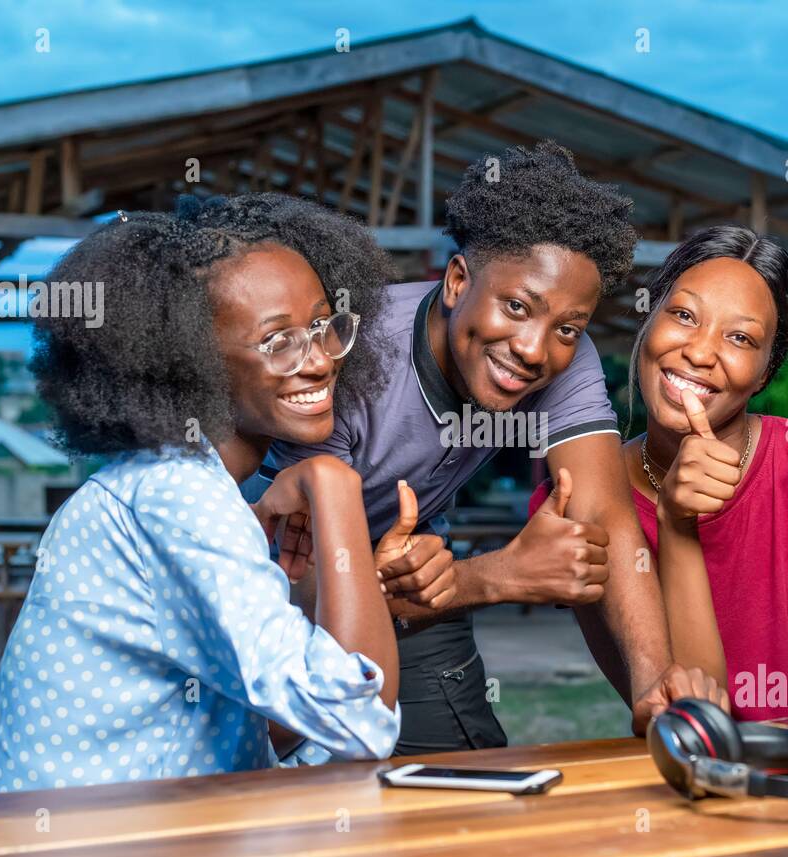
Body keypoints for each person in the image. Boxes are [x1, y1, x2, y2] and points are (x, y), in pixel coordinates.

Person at [245, 141, 720, 754]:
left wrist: (654, 686)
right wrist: (498, 576)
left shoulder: (566, 363)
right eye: (517, 307)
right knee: (295, 779)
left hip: (416, 572)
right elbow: (309, 587)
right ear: (458, 280)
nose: (533, 348)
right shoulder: (353, 353)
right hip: (280, 570)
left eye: (566, 327)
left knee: (476, 783)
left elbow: (605, 516)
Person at [0, 194, 424, 792]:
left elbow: (268, 734)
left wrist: (323, 590)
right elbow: (359, 722)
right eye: (278, 340)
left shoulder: (172, 481)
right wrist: (335, 485)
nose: (318, 360)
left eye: (322, 326)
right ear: (188, 363)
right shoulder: (175, 494)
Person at [532, 225, 788, 721]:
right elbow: (684, 713)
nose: (700, 353)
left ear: (765, 372)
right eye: (683, 315)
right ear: (649, 322)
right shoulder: (582, 495)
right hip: (689, 777)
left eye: (740, 337)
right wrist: (676, 521)